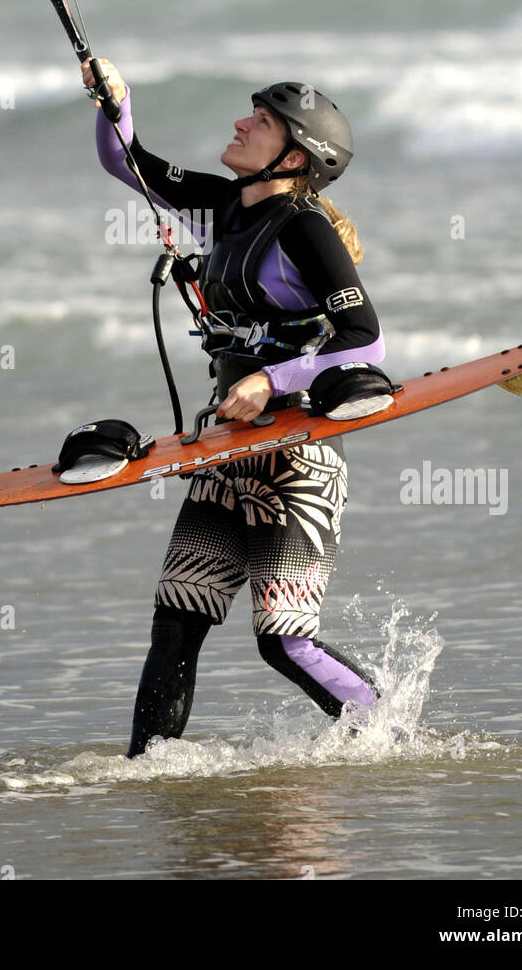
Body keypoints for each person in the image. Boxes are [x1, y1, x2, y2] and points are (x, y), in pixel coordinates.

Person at [82, 60, 387, 758]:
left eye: (262, 121)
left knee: (280, 639)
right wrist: (116, 100)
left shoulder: (305, 229)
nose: (240, 123)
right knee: (176, 620)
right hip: (226, 451)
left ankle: (388, 731)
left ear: (294, 154)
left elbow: (364, 336)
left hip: (299, 455)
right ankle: (147, 772)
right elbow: (126, 163)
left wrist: (274, 380)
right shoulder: (222, 206)